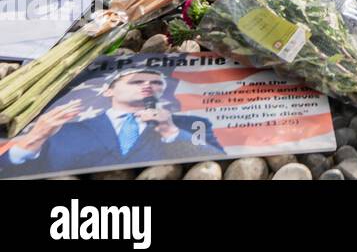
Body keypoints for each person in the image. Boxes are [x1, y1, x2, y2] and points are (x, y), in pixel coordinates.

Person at [0, 69, 224, 176]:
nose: (147, 86)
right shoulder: (65, 127)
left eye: (156, 83)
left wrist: (170, 130)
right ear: (108, 90)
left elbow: (215, 159)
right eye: (137, 81)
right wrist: (32, 140)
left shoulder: (188, 123)